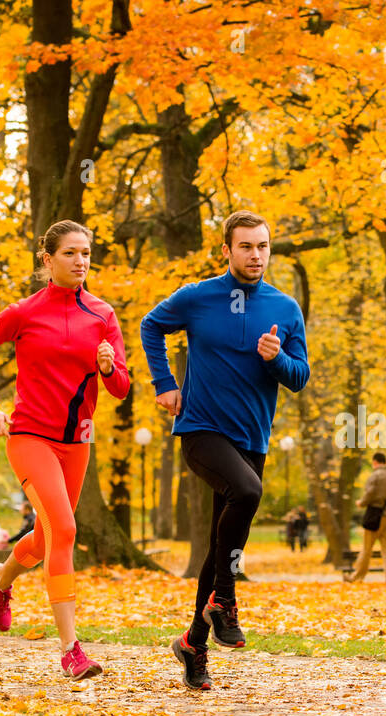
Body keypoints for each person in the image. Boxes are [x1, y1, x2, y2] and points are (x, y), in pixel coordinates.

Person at [140, 210, 309, 691]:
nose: (256, 255)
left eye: (263, 246)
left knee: (220, 547)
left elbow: (300, 378)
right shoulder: (199, 297)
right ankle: (225, 600)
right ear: (227, 251)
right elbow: (152, 326)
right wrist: (165, 383)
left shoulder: (285, 308)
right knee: (248, 492)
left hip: (251, 437)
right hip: (201, 429)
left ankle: (194, 644)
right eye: (246, 247)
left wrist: (277, 361)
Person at [0, 219, 129, 681]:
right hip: (30, 436)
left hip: (77, 442)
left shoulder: (103, 315)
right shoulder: (23, 312)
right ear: (48, 259)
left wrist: (109, 368)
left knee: (46, 536)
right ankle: (72, 650)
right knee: (66, 529)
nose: (81, 261)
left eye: (87, 253)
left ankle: (0, 578)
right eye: (71, 253)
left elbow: (121, 389)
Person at [346, 452, 386, 583]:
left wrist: (361, 503)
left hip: (376, 516)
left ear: (375, 462)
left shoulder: (376, 476)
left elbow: (370, 493)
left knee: (366, 548)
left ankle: (357, 577)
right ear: (385, 461)